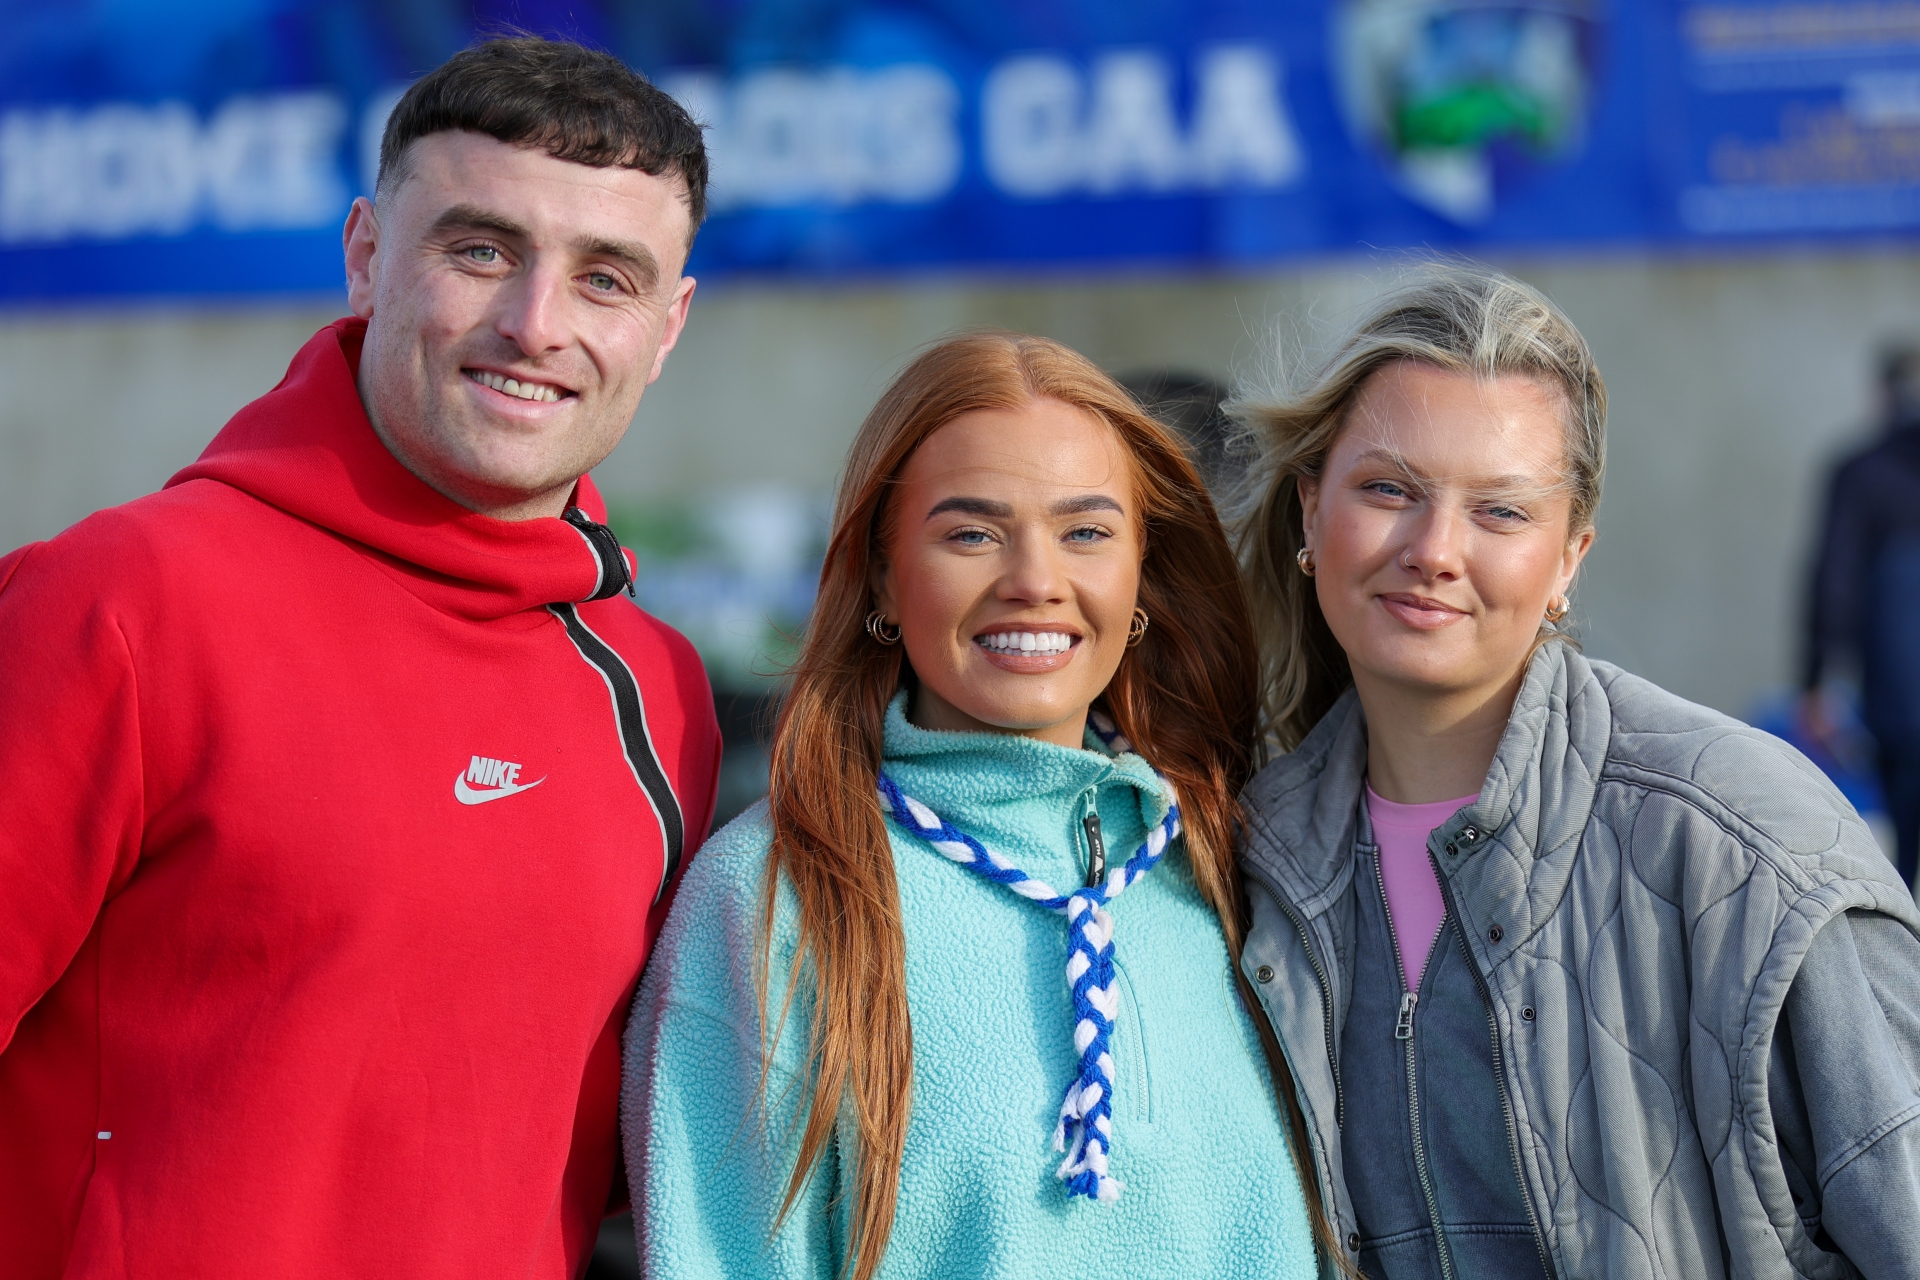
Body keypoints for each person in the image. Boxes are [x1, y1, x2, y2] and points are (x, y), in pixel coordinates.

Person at [0, 38, 721, 1278]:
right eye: (480, 249)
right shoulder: (121, 600)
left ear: (667, 327)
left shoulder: (657, 688)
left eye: (607, 278)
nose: (533, 324)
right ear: (367, 255)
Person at [1228, 266, 1920, 1279]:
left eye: (1500, 512)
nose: (1434, 549)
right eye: (1387, 489)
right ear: (1308, 512)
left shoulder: (1746, 847)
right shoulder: (1245, 861)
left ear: (1568, 559)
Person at [623, 333, 1324, 1280]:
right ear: (879, 574)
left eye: (1086, 532)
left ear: (1142, 575)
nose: (1035, 579)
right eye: (971, 533)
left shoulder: (1229, 861)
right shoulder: (773, 897)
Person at [1803, 344, 1920, 884]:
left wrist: (1817, 683)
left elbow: (1834, 581)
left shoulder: (1862, 474)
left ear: (1883, 395)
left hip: (1900, 714)